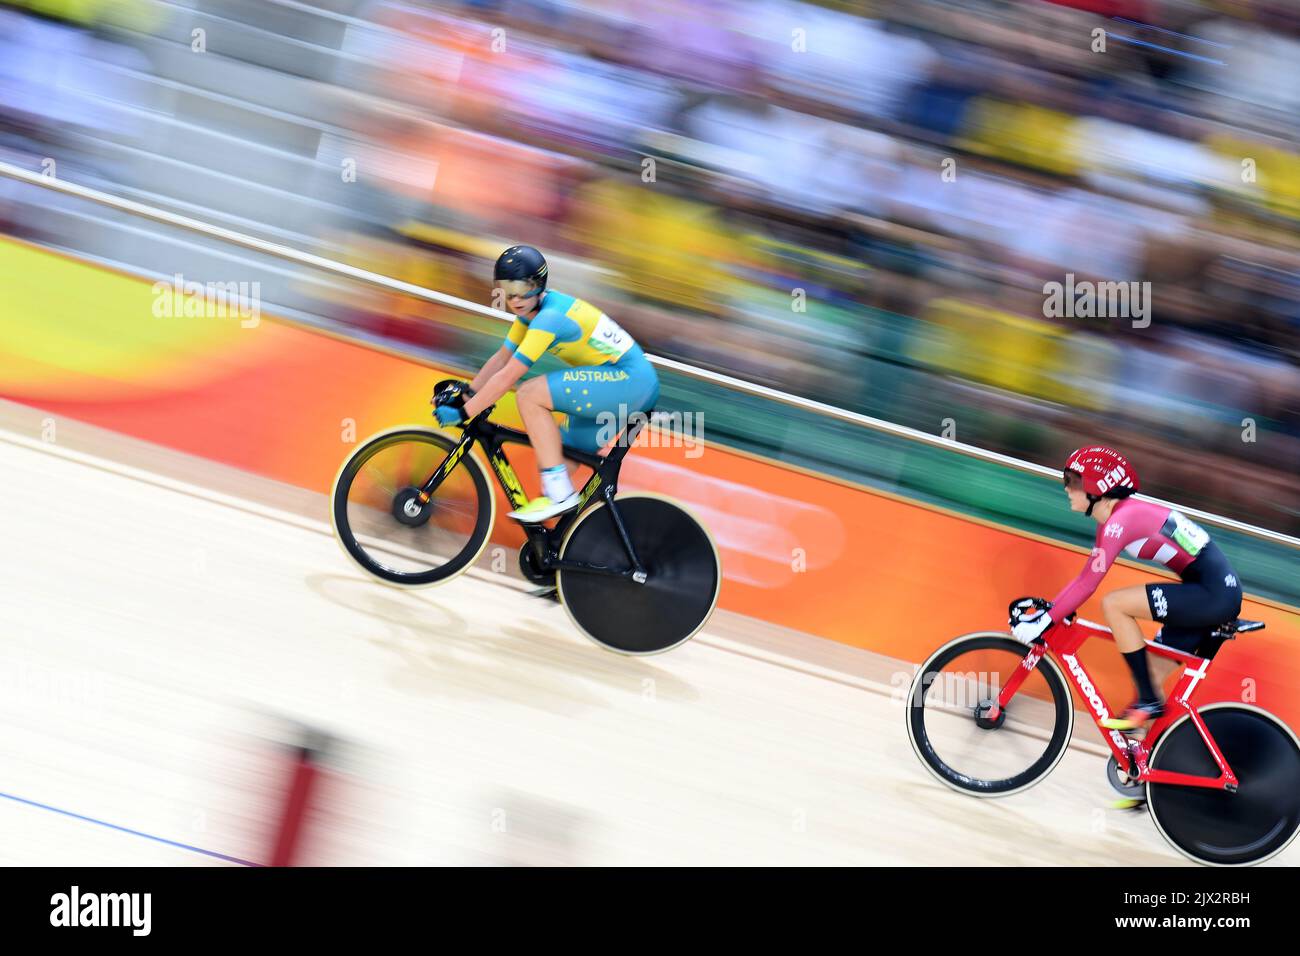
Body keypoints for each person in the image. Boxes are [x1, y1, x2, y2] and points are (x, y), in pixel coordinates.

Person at [1010, 446, 1243, 731]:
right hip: (1209, 591)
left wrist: (1047, 618)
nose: (1066, 489)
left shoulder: (1121, 521)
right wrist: (1054, 610)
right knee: (1150, 680)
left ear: (1098, 487)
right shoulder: (1118, 518)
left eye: (1072, 481)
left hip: (1213, 594)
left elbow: (1088, 582)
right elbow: (1087, 575)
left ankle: (1148, 701)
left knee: (1115, 604)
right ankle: (1142, 761)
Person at [432, 245, 660, 522]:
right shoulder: (528, 315)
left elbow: (508, 376)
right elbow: (501, 359)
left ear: (538, 284)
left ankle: (561, 495)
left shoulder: (548, 318)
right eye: (506, 287)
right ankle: (555, 545)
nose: (514, 297)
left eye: (522, 286)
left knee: (529, 394)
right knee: (561, 452)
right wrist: (467, 393)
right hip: (627, 386)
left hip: (629, 381)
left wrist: (464, 412)